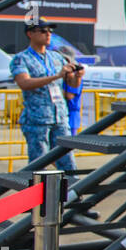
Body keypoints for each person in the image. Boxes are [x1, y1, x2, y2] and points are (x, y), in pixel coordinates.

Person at [9, 19, 76, 172]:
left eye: (50, 31)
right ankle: (38, 194)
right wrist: (56, 76)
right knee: (39, 165)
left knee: (68, 162)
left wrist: (76, 76)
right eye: (43, 31)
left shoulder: (56, 57)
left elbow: (70, 88)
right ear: (30, 34)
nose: (48, 34)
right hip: (37, 120)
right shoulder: (22, 58)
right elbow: (24, 83)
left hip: (60, 117)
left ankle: (71, 193)